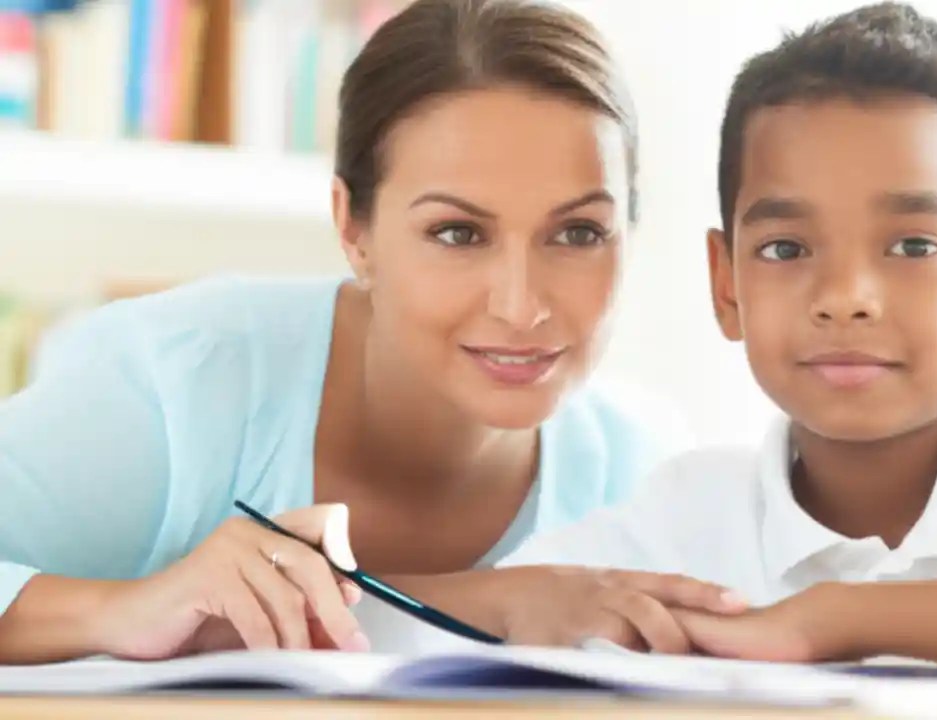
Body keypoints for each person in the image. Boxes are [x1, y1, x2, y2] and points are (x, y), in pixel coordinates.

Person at [0, 0, 736, 664]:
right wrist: (129, 608)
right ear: (354, 228)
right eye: (457, 233)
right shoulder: (181, 386)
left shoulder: (641, 465)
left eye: (578, 233)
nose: (522, 306)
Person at [494, 1, 937, 663]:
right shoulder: (689, 512)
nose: (845, 300)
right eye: (786, 249)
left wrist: (837, 619)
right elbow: (445, 613)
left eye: (913, 247)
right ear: (727, 284)